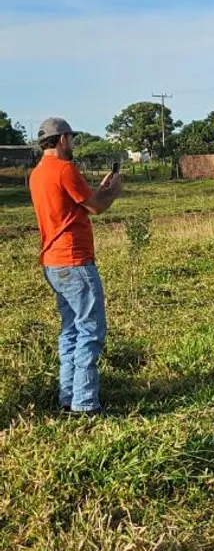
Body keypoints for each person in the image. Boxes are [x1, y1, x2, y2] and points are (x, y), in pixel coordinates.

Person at [28, 118, 122, 416]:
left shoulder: (37, 173)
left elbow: (77, 203)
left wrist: (100, 190)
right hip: (74, 259)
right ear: (63, 139)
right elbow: (95, 207)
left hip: (53, 261)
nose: (73, 144)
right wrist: (113, 191)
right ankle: (85, 404)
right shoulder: (65, 169)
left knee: (70, 330)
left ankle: (68, 396)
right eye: (72, 138)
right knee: (91, 330)